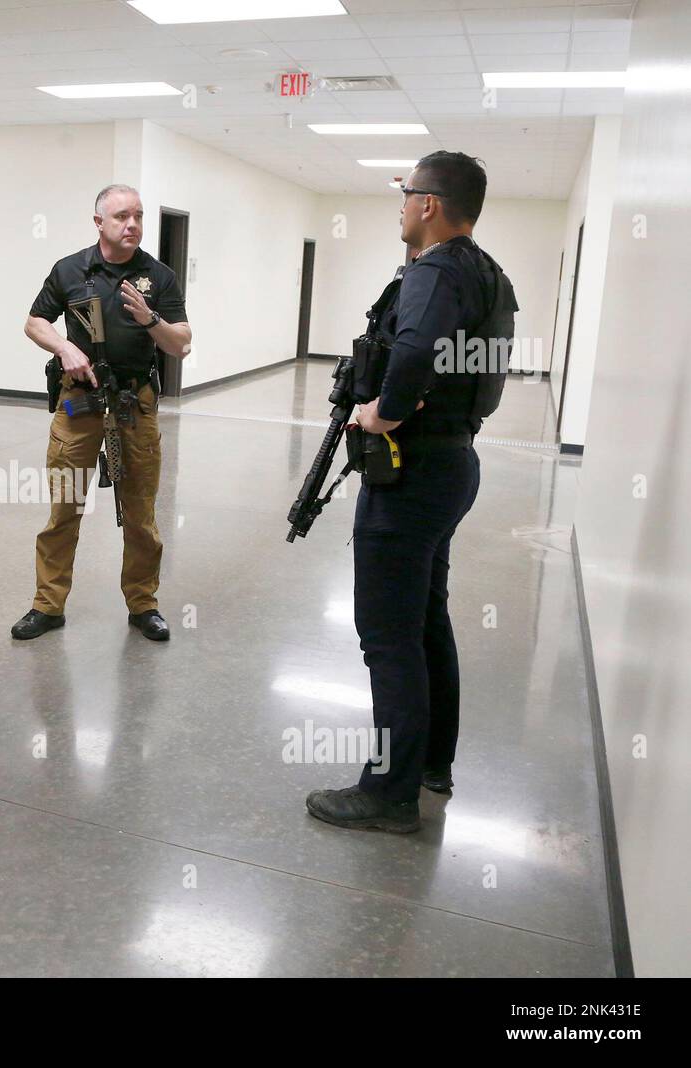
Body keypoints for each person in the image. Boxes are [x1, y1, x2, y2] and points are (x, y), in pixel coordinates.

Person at [306, 151, 517, 833]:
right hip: (452, 462)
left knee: (387, 636)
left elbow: (417, 351)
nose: (400, 204)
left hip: (413, 472)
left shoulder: (434, 271)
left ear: (429, 203)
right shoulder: (488, 274)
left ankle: (390, 794)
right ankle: (431, 763)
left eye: (406, 193)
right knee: (425, 619)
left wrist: (380, 414)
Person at [11, 184, 192, 643]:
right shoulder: (70, 269)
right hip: (79, 402)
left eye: (138, 216)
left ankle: (143, 604)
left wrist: (151, 319)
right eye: (121, 217)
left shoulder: (159, 276)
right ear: (99, 223)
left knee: (140, 513)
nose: (132, 225)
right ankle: (47, 606)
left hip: (135, 405)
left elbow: (182, 343)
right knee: (65, 507)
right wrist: (64, 346)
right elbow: (34, 321)